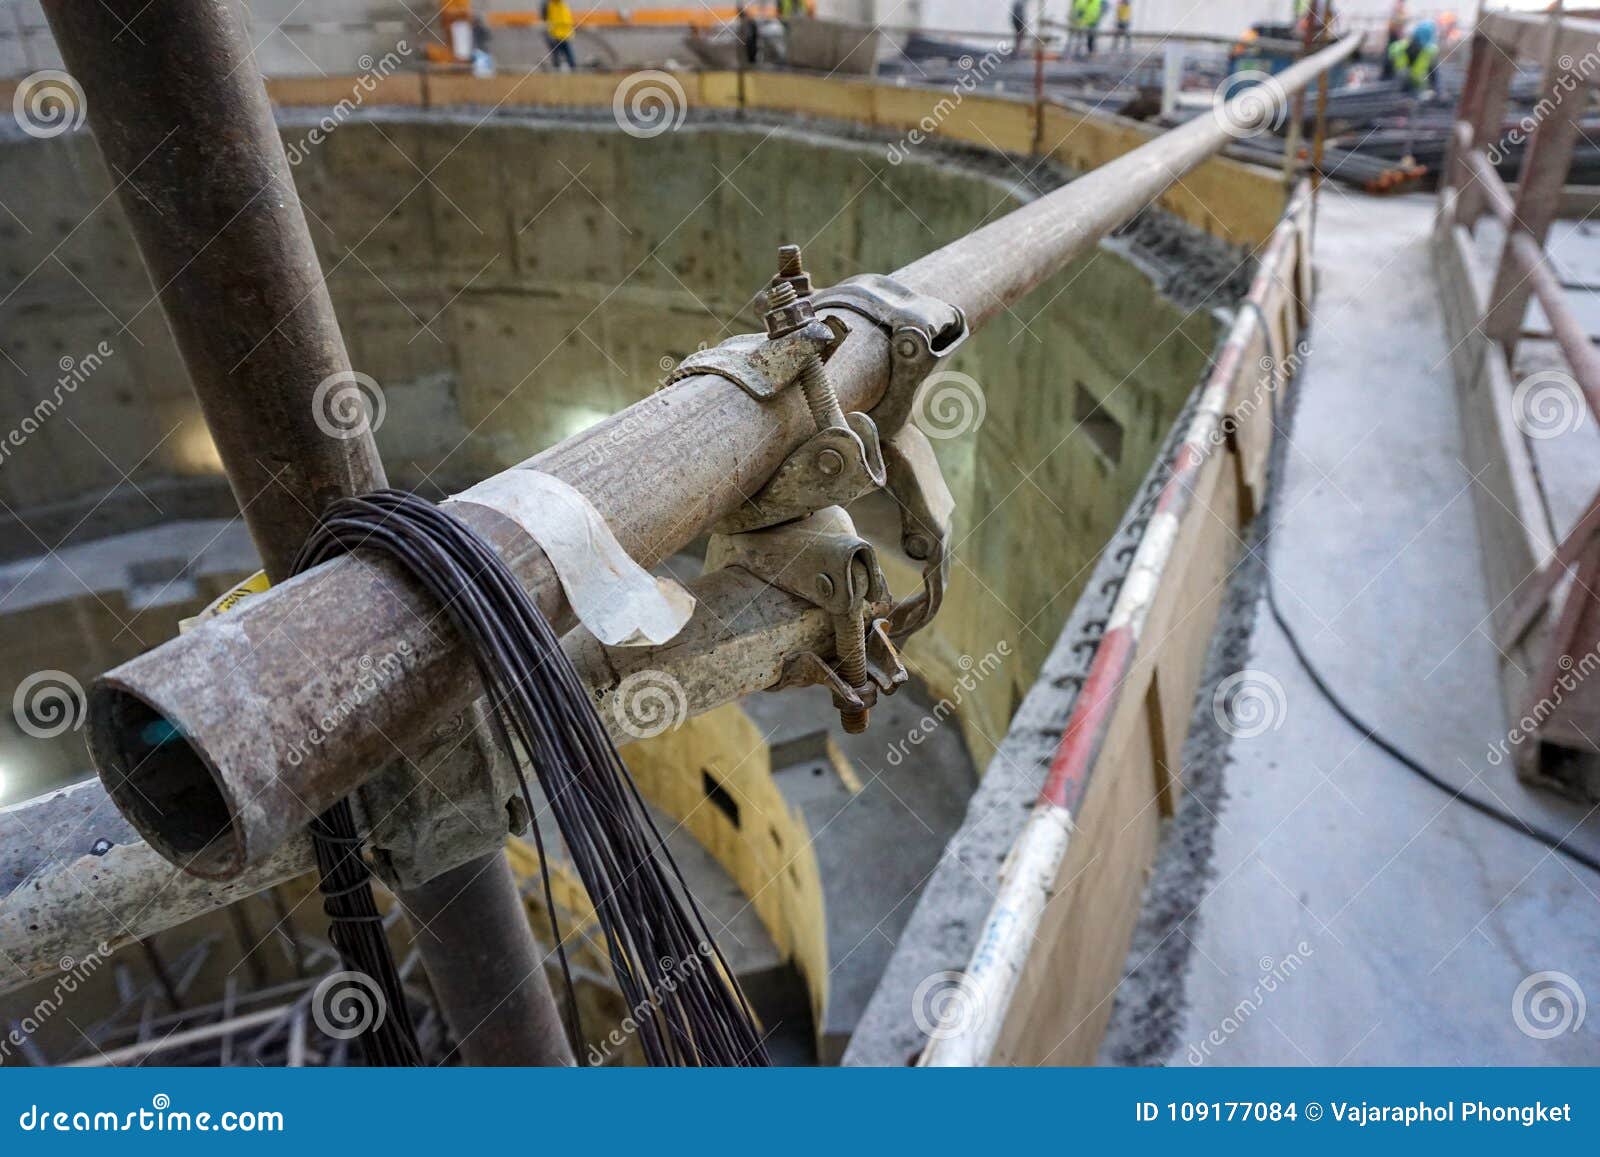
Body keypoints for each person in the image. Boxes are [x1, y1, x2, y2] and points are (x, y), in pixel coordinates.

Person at [1387, 19, 1439, 95]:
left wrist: (1436, 91)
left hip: (1418, 90)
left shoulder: (1428, 52)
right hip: (1397, 89)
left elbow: (1434, 77)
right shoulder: (1398, 49)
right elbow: (1387, 74)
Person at [543, 0, 576, 70]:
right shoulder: (551, 5)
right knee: (558, 54)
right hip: (556, 34)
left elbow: (567, 19)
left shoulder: (560, 5)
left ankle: (571, 67)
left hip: (563, 34)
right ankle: (559, 67)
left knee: (566, 53)